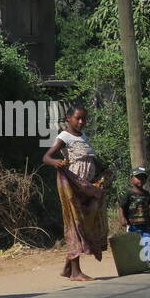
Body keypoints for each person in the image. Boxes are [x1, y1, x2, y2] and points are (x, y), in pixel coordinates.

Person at [43, 105, 109, 281]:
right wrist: (55, 162)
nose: (81, 122)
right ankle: (76, 272)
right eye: (77, 118)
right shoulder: (64, 136)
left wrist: (101, 167)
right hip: (73, 187)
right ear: (68, 118)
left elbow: (88, 158)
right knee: (76, 225)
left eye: (83, 119)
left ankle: (67, 268)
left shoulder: (83, 136)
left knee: (86, 223)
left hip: (86, 188)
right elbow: (47, 157)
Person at [118, 167, 150, 270]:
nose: (141, 180)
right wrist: (122, 218)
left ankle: (149, 263)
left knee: (147, 241)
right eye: (138, 177)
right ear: (131, 179)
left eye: (143, 178)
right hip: (133, 225)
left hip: (145, 224)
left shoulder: (146, 194)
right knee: (134, 244)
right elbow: (121, 207)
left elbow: (147, 207)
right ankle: (134, 264)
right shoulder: (129, 194)